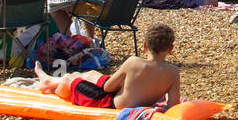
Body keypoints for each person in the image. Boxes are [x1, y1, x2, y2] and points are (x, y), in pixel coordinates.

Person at [34, 23, 179, 109]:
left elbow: (108, 88)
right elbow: (173, 104)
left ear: (146, 45)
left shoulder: (134, 62)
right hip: (125, 99)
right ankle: (54, 81)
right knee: (91, 74)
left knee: (69, 79)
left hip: (110, 103)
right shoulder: (173, 72)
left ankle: (49, 82)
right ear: (171, 49)